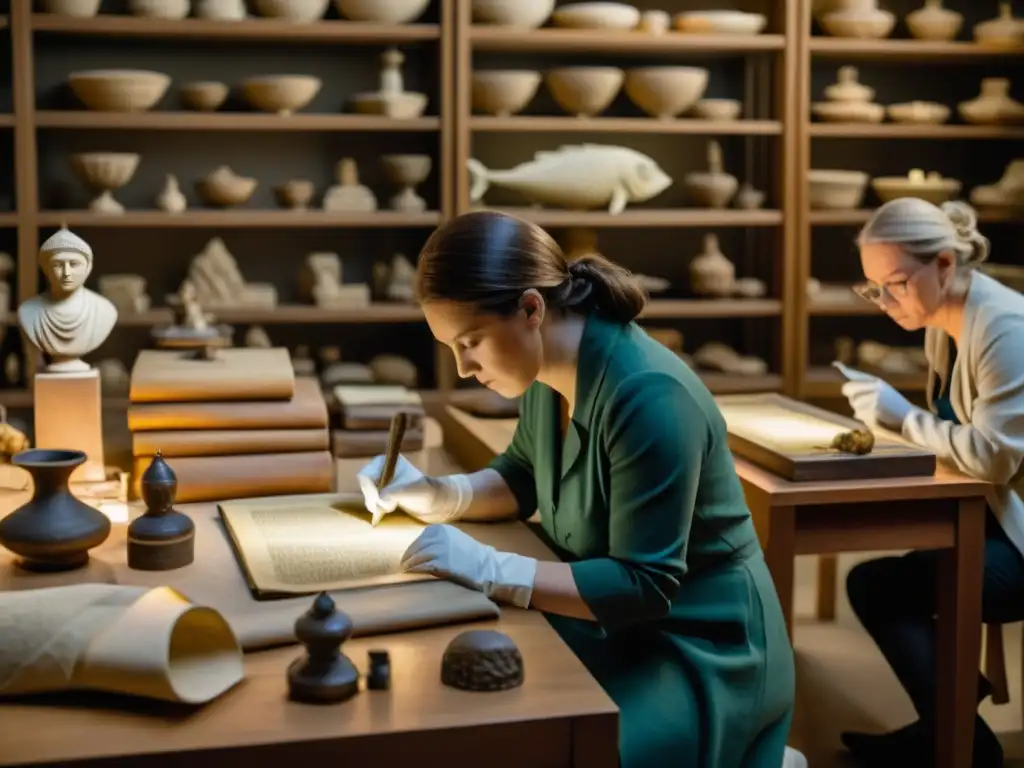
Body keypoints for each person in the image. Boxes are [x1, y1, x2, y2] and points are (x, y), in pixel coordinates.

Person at [357, 210, 800, 768]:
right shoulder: (548, 370)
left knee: (573, 747)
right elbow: (522, 476)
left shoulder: (648, 395)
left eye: (469, 342)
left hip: (702, 644)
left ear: (530, 308)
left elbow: (645, 584)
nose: (463, 368)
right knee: (475, 709)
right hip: (604, 616)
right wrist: (436, 493)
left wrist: (494, 569)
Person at [837, 198, 1024, 767]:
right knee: (877, 581)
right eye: (872, 288)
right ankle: (949, 723)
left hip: (1018, 537)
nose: (885, 303)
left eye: (894, 284)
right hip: (989, 516)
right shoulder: (943, 321)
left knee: (880, 587)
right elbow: (956, 432)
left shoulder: (1004, 327)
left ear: (944, 263)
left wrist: (898, 417)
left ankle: (957, 738)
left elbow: (994, 458)